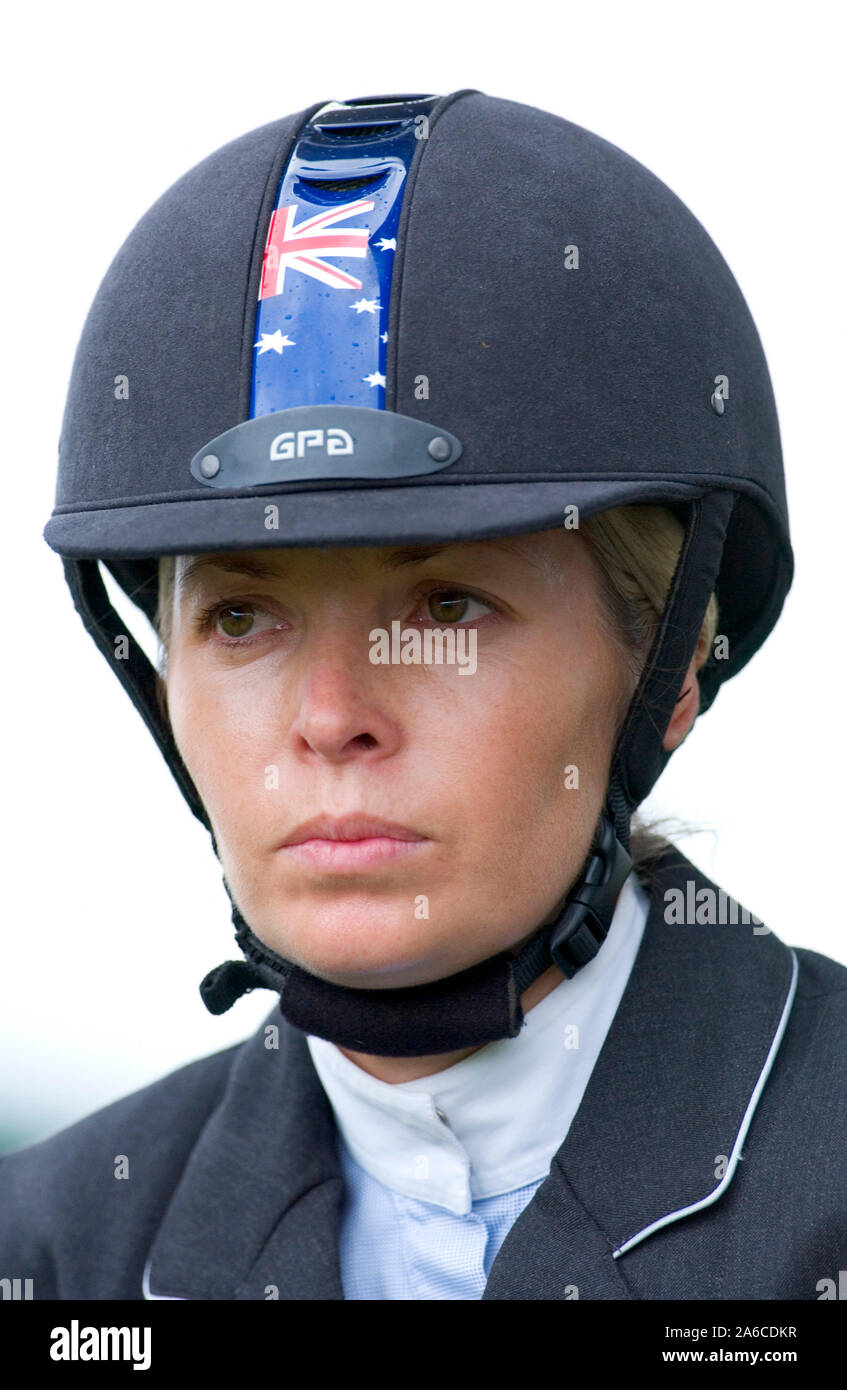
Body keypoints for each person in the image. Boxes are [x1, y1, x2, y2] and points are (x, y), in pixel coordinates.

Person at [2, 90, 845, 1302]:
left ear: (670, 665)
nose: (332, 715)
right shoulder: (46, 1253)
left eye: (447, 608)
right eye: (241, 617)